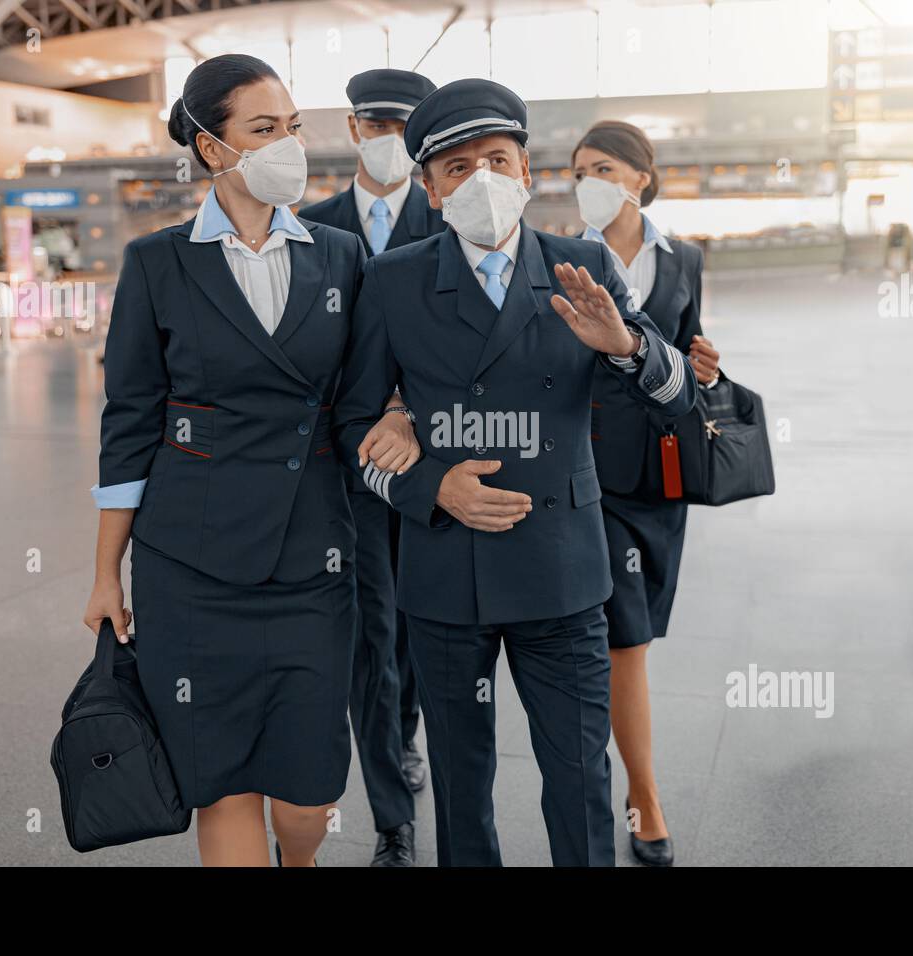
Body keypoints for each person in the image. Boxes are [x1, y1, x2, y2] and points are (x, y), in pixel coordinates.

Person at [333, 79, 698, 867]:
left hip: (562, 572)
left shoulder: (582, 263)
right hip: (442, 575)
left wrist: (627, 348)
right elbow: (351, 429)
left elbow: (675, 398)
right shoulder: (393, 280)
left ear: (527, 172)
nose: (483, 181)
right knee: (463, 789)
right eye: (458, 168)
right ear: (429, 188)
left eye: (497, 160)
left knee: (578, 778)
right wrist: (432, 486)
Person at [81, 54, 418, 867]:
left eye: (293, 127)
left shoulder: (340, 258)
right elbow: (128, 423)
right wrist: (104, 574)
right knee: (221, 785)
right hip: (190, 568)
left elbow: (371, 391)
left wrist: (402, 414)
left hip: (313, 562)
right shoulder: (156, 264)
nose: (287, 145)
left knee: (309, 797)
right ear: (210, 147)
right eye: (264, 130)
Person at [298, 68, 443, 866]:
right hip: (349, 471)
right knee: (370, 640)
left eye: (403, 124)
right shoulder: (313, 227)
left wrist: (413, 414)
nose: (387, 137)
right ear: (353, 130)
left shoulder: (450, 220)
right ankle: (393, 814)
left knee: (421, 627)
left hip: (429, 465)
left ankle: (407, 730)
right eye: (375, 123)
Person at [571, 120, 722, 866]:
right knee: (621, 642)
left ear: (639, 176)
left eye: (601, 168)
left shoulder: (685, 259)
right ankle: (643, 798)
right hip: (583, 475)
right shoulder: (563, 255)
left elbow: (690, 357)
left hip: (659, 479)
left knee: (630, 639)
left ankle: (623, 789)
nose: (586, 182)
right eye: (576, 171)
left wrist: (707, 369)